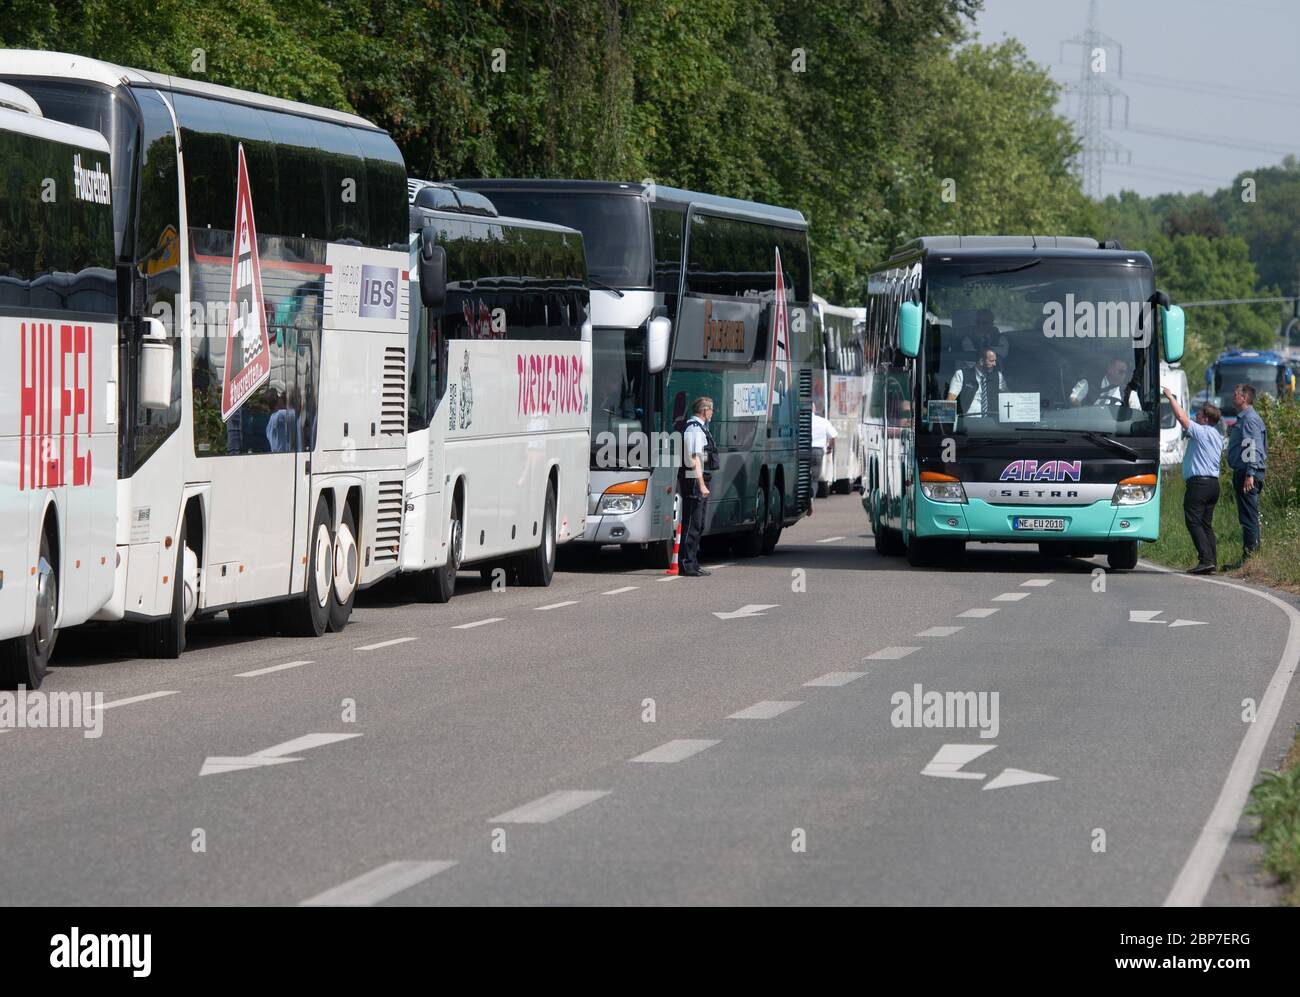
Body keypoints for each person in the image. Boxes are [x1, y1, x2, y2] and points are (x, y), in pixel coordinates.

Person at [1163, 385, 1224, 574]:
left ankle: (1205, 559)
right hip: (1213, 484)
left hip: (1199, 484)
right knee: (1205, 523)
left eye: (1198, 414)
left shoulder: (1203, 431)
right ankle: (1212, 560)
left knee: (1193, 521)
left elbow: (1181, 418)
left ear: (1206, 419)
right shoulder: (1217, 435)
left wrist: (1170, 398)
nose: (1195, 416)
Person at [1226, 382, 1268, 563]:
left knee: (1249, 517)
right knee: (1247, 516)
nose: (1233, 396)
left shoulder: (1249, 419)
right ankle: (1250, 556)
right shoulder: (1244, 419)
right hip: (1245, 472)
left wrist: (1250, 474)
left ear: (1244, 398)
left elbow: (1253, 448)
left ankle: (1250, 558)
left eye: (1236, 394)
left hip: (1247, 473)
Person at [679, 397, 717, 577]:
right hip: (694, 479)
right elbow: (694, 458)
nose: (712, 413)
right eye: (711, 410)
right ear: (704, 410)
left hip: (699, 479)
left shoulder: (701, 428)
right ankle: (686, 564)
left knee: (699, 524)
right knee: (692, 524)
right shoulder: (694, 429)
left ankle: (693, 563)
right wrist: (701, 484)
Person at [946, 346, 1007, 416]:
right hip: (967, 422)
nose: (994, 364)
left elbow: (1007, 397)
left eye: (995, 360)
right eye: (991, 361)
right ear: (981, 361)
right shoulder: (961, 375)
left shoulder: (998, 376)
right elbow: (950, 401)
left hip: (992, 423)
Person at [1069, 356, 1142, 410]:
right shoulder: (1088, 383)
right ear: (1109, 369)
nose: (1123, 375)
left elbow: (1137, 413)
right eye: (1120, 371)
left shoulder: (1129, 392)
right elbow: (1074, 399)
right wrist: (1084, 417)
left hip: (1116, 429)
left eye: (1125, 372)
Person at [810, 402, 837, 496]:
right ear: (814, 410)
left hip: (803, 451)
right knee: (814, 478)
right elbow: (833, 436)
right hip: (818, 451)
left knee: (802, 477)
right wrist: (830, 447)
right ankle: (811, 498)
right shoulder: (823, 421)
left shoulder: (799, 421)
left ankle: (802, 499)